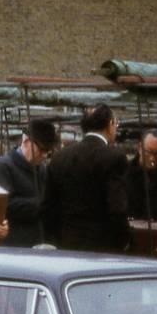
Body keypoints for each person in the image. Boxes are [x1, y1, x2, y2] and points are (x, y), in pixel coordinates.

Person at [40, 104, 129, 252]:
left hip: (67, 241)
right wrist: (124, 240)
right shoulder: (114, 157)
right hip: (103, 245)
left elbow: (48, 205)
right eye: (116, 124)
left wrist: (54, 239)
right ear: (110, 125)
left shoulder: (60, 157)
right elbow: (117, 208)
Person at [0, 119, 58, 247]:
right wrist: (43, 203)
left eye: (48, 152)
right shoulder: (2, 167)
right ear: (26, 141)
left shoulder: (42, 169)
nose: (45, 155)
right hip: (14, 244)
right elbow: (3, 205)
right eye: (42, 150)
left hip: (38, 241)